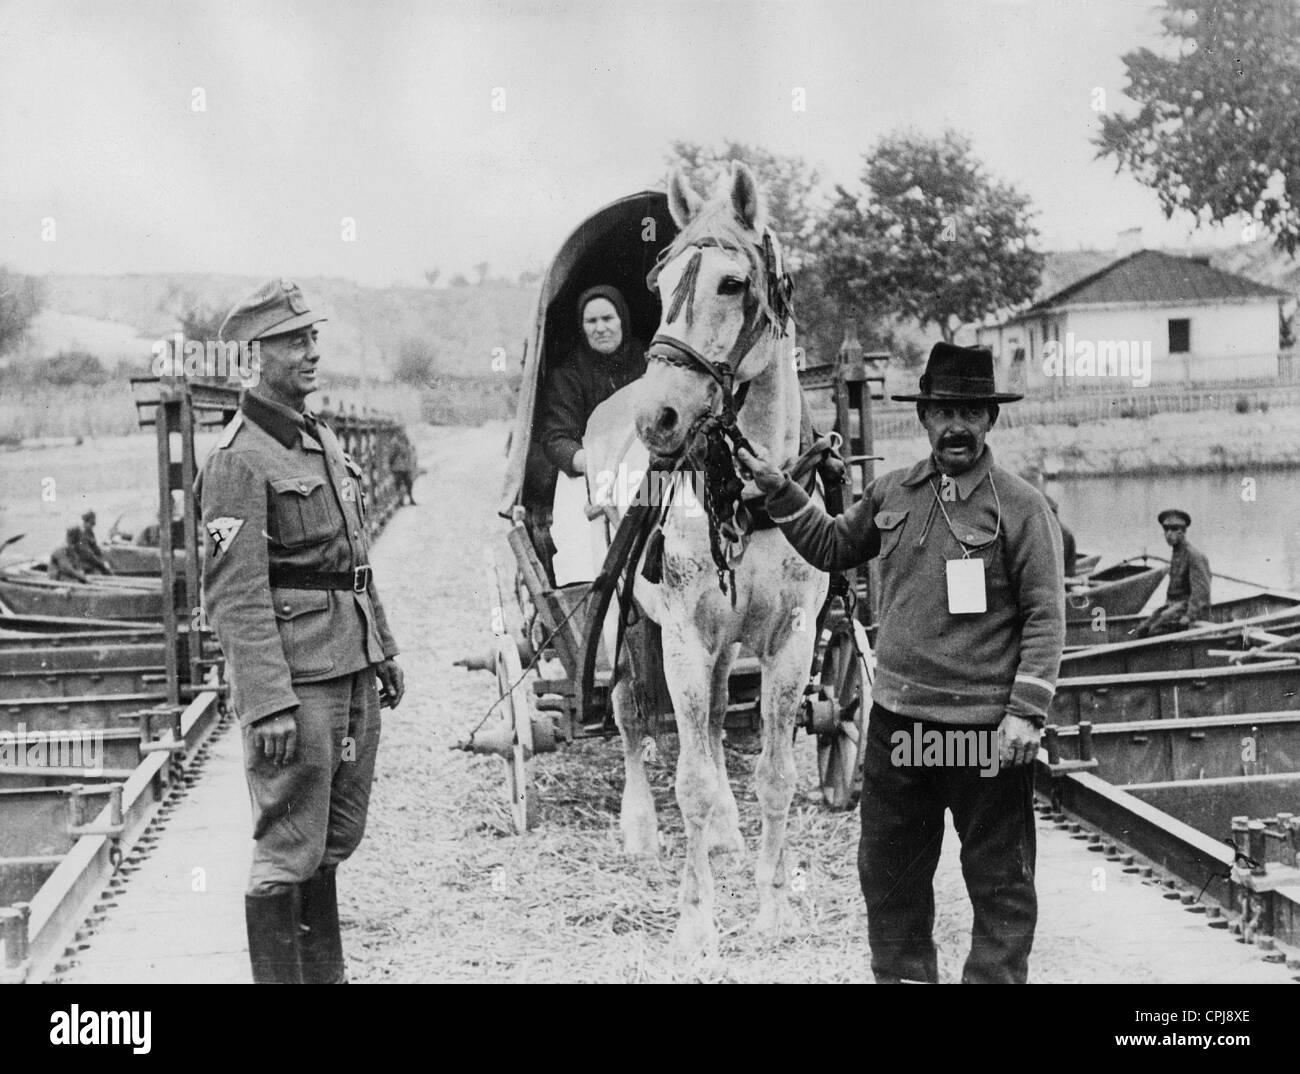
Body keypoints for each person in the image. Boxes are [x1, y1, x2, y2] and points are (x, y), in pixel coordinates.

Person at [739, 342, 1065, 984]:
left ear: (990, 421)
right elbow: (833, 544)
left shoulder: (1022, 508)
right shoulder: (894, 492)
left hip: (983, 736)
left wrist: (1027, 712)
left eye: (970, 412)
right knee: (891, 879)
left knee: (999, 883)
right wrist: (781, 493)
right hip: (902, 728)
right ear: (923, 419)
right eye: (943, 411)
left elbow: (1047, 616)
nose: (956, 427)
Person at [196, 278, 405, 985]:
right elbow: (237, 595)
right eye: (294, 340)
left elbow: (353, 560)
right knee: (287, 846)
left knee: (333, 837)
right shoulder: (238, 457)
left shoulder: (317, 438)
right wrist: (266, 703)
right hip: (296, 681)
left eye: (314, 336)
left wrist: (385, 647)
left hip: (348, 665)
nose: (311, 352)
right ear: (256, 354)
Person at [537, 284, 647, 479]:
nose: (600, 328)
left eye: (607, 319)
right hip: (597, 475)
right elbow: (556, 438)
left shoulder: (648, 362)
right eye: (591, 321)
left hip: (651, 470)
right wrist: (587, 461)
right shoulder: (568, 375)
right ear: (582, 326)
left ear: (622, 319)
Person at [1133, 509, 1211, 637]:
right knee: (1142, 629)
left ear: (1182, 532)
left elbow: (1201, 592)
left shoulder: (1194, 555)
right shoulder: (1176, 553)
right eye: (1166, 529)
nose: (1169, 534)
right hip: (1173, 605)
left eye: (1174, 529)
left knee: (1155, 632)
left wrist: (1189, 616)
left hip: (1186, 607)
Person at [79, 510, 114, 575]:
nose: (92, 526)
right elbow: (88, 555)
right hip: (85, 565)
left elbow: (96, 550)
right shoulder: (82, 535)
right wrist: (102, 563)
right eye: (91, 523)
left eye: (93, 524)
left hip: (93, 562)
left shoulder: (90, 533)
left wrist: (104, 559)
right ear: (85, 522)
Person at [388, 431, 418, 506]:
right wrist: (391, 464)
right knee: (399, 484)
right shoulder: (395, 441)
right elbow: (392, 454)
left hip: (405, 467)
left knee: (409, 483)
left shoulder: (406, 440)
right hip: (397, 467)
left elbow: (409, 452)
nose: (402, 433)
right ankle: (401, 500)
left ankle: (410, 498)